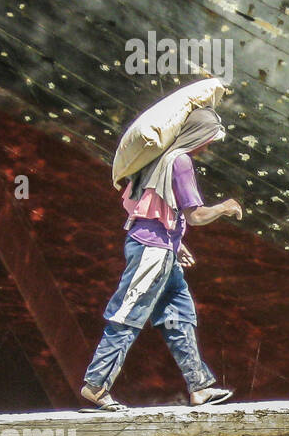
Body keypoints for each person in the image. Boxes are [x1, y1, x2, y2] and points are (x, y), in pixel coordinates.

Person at [79, 108, 243, 410]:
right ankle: (96, 385)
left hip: (159, 248)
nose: (208, 147)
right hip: (152, 252)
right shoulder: (180, 161)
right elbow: (195, 215)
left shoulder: (159, 159)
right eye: (208, 140)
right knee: (128, 314)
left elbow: (145, 206)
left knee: (178, 313)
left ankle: (199, 387)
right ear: (199, 136)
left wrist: (176, 244)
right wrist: (224, 207)